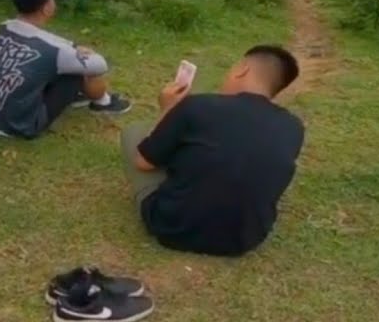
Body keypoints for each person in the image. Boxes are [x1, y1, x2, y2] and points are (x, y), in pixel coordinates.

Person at [120, 45, 305, 257]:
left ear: (242, 69)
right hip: (244, 239)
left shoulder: (197, 105)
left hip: (172, 227)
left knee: (134, 133)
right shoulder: (294, 127)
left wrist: (168, 109)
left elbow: (144, 162)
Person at [0, 0, 132, 139]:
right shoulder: (54, 51)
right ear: (46, 8)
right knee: (78, 72)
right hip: (22, 125)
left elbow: (43, 39)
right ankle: (103, 102)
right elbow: (100, 65)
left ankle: (84, 97)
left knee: (50, 67)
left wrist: (72, 46)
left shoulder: (3, 27)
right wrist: (86, 52)